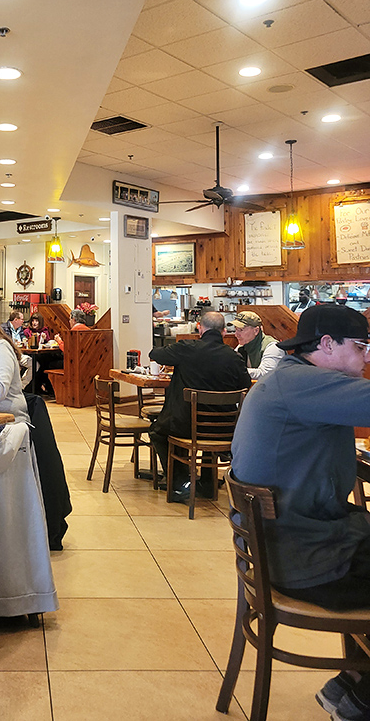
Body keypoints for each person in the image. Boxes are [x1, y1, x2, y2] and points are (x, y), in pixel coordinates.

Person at [231, 305, 370, 721]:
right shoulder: (304, 383)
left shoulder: (289, 379)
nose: (366, 357)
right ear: (327, 344)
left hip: (285, 545)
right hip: (304, 558)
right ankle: (360, 700)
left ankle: (349, 684)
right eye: (361, 346)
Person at [148, 310, 251, 502]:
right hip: (224, 429)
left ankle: (180, 483)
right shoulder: (234, 357)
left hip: (185, 427)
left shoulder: (186, 348)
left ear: (200, 328)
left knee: (158, 431)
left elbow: (155, 354)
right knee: (202, 428)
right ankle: (206, 483)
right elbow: (245, 387)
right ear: (223, 332)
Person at [232, 310, 284, 379]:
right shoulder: (241, 346)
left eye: (241, 330)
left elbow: (266, 374)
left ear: (256, 330)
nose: (236, 334)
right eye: (236, 329)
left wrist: (237, 371)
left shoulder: (273, 347)